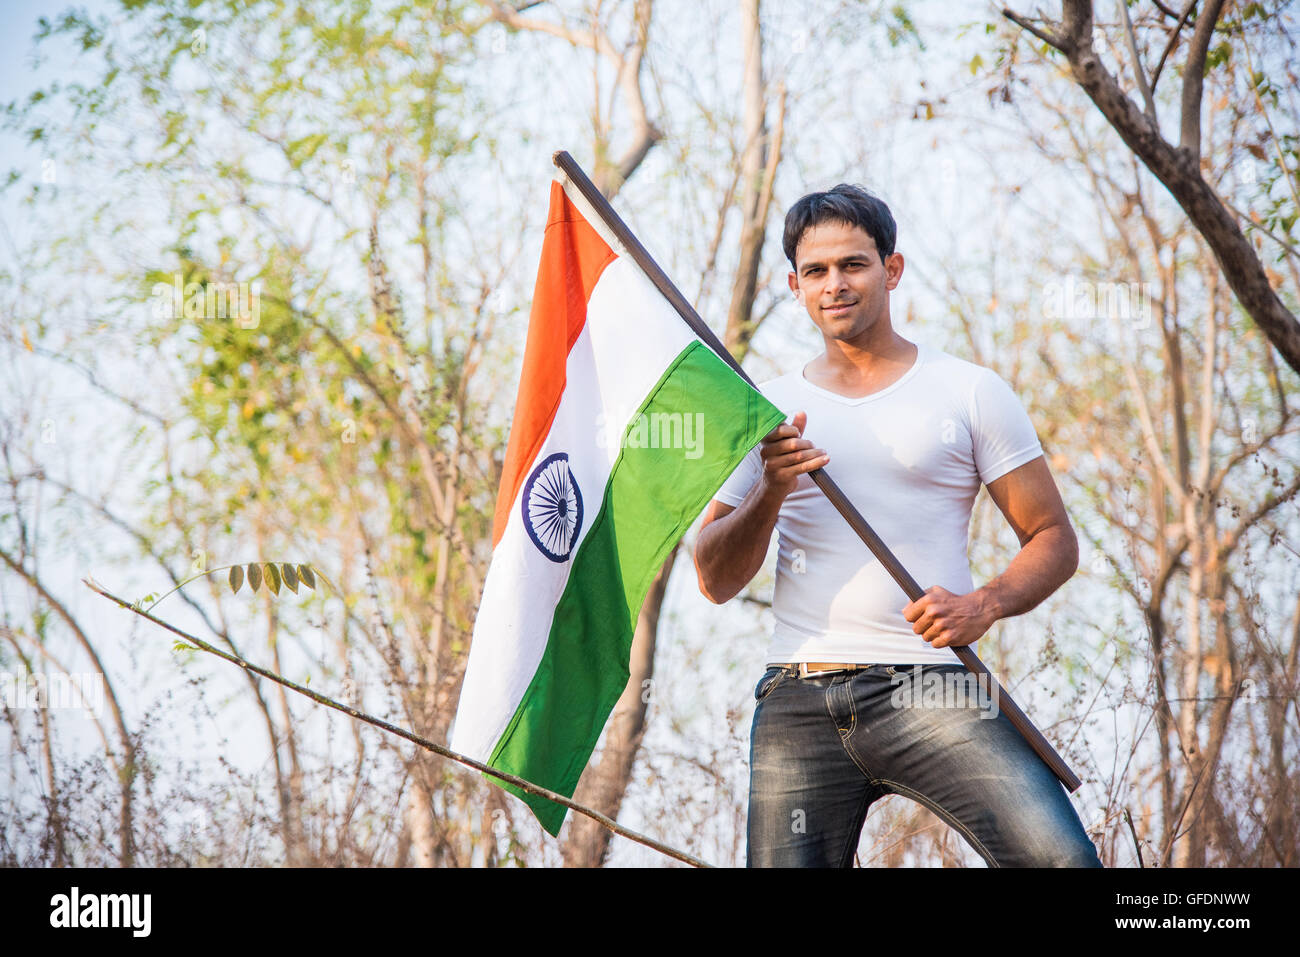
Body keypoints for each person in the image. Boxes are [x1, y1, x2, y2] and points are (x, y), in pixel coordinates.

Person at [694, 184, 1102, 868]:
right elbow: (713, 576)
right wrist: (769, 489)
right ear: (794, 285)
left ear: (892, 269)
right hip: (798, 696)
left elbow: (1054, 539)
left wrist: (985, 603)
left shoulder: (969, 390)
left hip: (933, 685)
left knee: (1062, 860)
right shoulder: (766, 407)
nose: (835, 284)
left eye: (853, 264)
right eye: (816, 271)